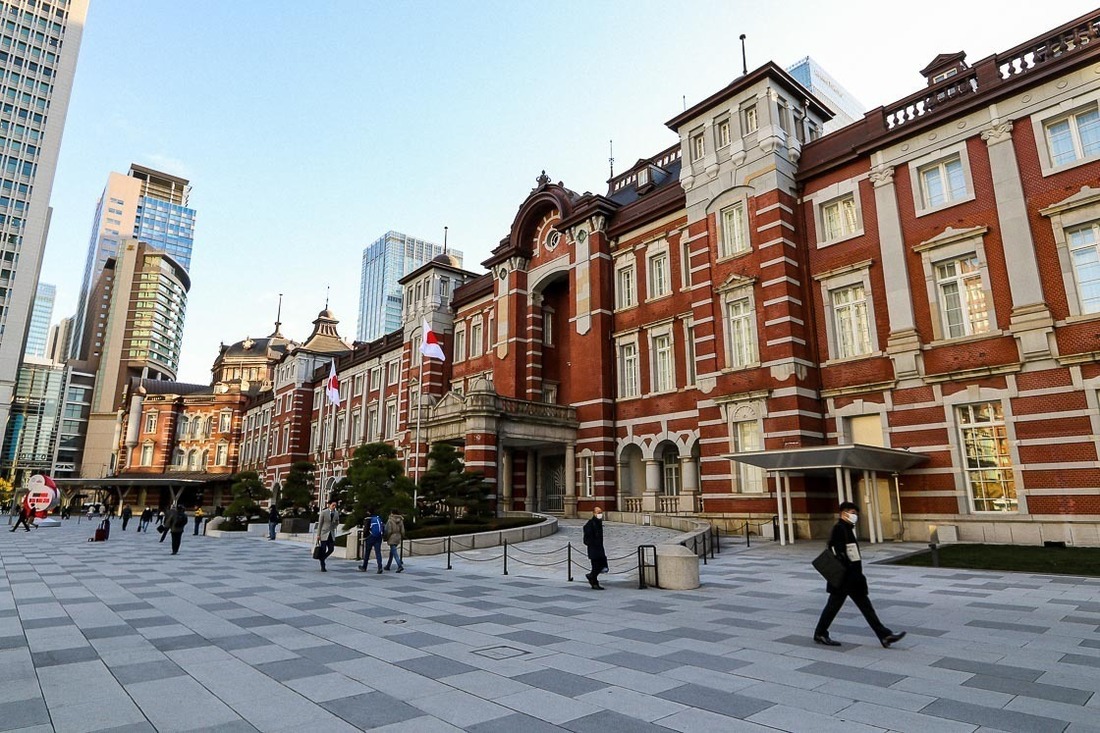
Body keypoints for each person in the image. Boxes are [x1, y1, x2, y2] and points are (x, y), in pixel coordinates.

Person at [814, 501, 906, 648]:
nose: (854, 516)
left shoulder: (847, 528)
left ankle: (884, 635)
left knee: (863, 607)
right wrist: (850, 570)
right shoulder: (840, 528)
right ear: (843, 514)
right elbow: (839, 552)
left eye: (856, 514)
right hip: (845, 578)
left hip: (851, 578)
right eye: (852, 513)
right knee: (834, 607)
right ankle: (820, 633)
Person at [582, 507, 607, 590]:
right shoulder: (590, 524)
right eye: (598, 512)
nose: (600, 514)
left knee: (601, 565)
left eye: (601, 512)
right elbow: (586, 539)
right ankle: (592, 578)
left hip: (600, 548)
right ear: (593, 513)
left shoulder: (599, 523)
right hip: (594, 549)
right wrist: (593, 543)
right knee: (596, 566)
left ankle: (594, 581)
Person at [315, 500, 339, 572]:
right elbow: (320, 524)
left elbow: (337, 521)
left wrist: (334, 526)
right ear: (329, 505)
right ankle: (323, 566)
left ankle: (322, 558)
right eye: (333, 505)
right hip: (324, 533)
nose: (334, 507)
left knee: (331, 549)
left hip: (331, 533)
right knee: (323, 549)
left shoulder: (336, 513)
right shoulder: (324, 512)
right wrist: (318, 534)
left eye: (335, 505)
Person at [359, 508, 384, 573]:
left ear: (369, 512)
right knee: (378, 552)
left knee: (367, 552)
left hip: (370, 537)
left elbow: (366, 529)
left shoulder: (368, 519)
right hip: (379, 537)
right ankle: (380, 567)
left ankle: (364, 567)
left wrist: (364, 537)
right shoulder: (378, 518)